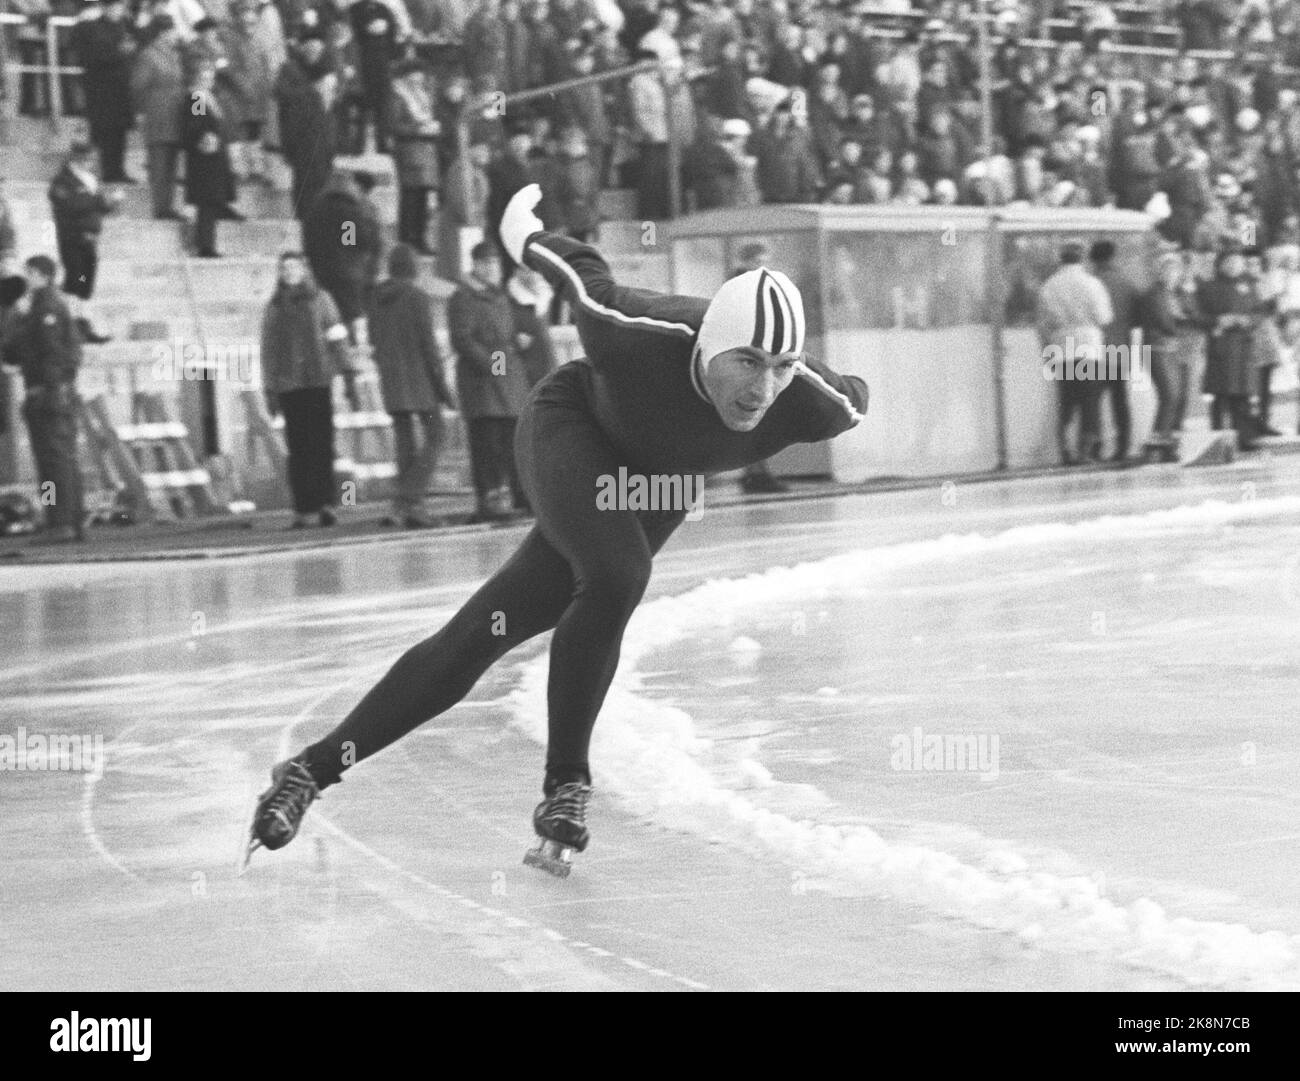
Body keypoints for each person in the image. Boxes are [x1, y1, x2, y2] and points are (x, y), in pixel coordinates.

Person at [246, 183, 869, 874]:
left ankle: (308, 770)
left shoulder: (811, 401)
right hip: (572, 428)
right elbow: (582, 273)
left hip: (654, 484)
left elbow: (855, 395)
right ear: (711, 345)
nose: (762, 387)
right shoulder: (636, 329)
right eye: (746, 361)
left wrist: (811, 377)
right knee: (619, 573)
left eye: (781, 367)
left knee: (484, 631)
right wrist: (524, 231)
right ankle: (566, 783)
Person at [259, 252, 352, 528]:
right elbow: (268, 350)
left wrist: (346, 369)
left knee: (322, 445)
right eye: (284, 267)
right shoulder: (273, 307)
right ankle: (303, 507)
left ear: (304, 269)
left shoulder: (321, 300)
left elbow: (337, 336)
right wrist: (270, 387)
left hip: (317, 381)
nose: (289, 272)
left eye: (294, 266)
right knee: (298, 448)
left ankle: (325, 503)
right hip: (290, 385)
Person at [367, 243, 455, 529]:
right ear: (413, 269)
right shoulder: (417, 298)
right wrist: (443, 388)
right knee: (437, 434)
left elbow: (373, 341)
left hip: (392, 383)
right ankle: (409, 498)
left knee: (405, 442)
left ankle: (403, 508)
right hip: (421, 386)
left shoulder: (375, 299)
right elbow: (428, 346)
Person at [0, 256, 85, 542]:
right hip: (57, 392)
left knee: (51, 465)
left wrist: (51, 389)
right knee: (63, 461)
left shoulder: (42, 308)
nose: (28, 279)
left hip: (47, 393)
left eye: (31, 273)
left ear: (43, 276)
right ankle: (71, 520)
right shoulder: (48, 306)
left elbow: (40, 351)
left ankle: (58, 521)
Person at [448, 241, 531, 520]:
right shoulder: (464, 297)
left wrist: (515, 343)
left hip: (506, 382)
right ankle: (490, 500)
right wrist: (494, 366)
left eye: (497, 263)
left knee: (511, 439)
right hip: (483, 384)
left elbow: (503, 333)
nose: (496, 269)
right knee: (487, 443)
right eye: (490, 264)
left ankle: (519, 496)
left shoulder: (500, 296)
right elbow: (462, 338)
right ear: (478, 266)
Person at [1037, 240, 1112, 465]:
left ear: (1061, 259)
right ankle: (1085, 451)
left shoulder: (1049, 286)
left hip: (1061, 348)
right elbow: (1104, 317)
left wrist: (1048, 353)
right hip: (1088, 346)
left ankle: (1064, 451)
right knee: (1090, 401)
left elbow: (1042, 325)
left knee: (1066, 402)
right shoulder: (1092, 284)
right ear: (1083, 258)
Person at [47, 144, 121, 344]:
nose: (91, 164)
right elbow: (71, 205)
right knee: (76, 280)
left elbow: (100, 207)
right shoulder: (62, 181)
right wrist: (97, 200)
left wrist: (111, 201)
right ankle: (70, 326)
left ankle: (84, 325)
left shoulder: (91, 181)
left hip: (90, 238)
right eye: (87, 160)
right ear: (76, 160)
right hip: (72, 238)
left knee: (87, 284)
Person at [301, 169, 382, 347]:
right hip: (345, 270)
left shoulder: (315, 208)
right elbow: (350, 241)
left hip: (320, 270)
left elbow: (307, 241)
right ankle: (348, 353)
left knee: (327, 315)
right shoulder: (347, 210)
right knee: (346, 315)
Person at [1197, 246, 1262, 451]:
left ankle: (1245, 438)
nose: (1234, 266)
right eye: (1229, 262)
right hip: (1221, 348)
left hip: (1243, 347)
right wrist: (1218, 320)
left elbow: (1259, 313)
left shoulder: (1250, 285)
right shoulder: (1208, 287)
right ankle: (1218, 441)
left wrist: (1247, 321)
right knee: (1220, 396)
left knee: (1242, 395)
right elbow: (1198, 316)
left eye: (1238, 262)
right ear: (1221, 264)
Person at [1140, 251, 1199, 462]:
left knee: (1174, 398)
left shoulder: (1174, 293)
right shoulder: (1155, 294)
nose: (1172, 274)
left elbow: (1193, 314)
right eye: (1167, 270)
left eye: (1175, 270)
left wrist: (1188, 294)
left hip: (1171, 350)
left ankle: (1164, 444)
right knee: (1169, 396)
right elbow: (1164, 322)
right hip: (1156, 349)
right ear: (1159, 272)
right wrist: (1182, 323)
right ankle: (1157, 444)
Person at [70, 0, 137, 184]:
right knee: (103, 133)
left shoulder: (123, 28)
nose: (120, 11)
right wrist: (119, 52)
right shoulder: (93, 28)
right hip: (103, 93)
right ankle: (104, 171)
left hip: (121, 92)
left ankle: (117, 170)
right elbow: (91, 56)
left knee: (119, 134)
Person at [1089, 240, 1141, 462]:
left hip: (1093, 351)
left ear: (1093, 260)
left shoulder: (1091, 282)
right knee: (1120, 400)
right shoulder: (1127, 284)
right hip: (1120, 349)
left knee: (1093, 401)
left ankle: (1095, 448)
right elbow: (1137, 318)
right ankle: (1123, 447)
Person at [130, 14, 187, 219]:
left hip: (175, 115)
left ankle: (168, 205)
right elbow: (138, 87)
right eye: (172, 30)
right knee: (160, 162)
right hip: (158, 115)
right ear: (163, 33)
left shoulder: (176, 55)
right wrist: (144, 111)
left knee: (171, 162)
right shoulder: (149, 55)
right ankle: (160, 206)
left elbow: (184, 85)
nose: (175, 34)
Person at [179, 64, 238, 258]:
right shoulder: (197, 97)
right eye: (204, 77)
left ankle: (208, 244)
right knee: (206, 202)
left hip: (214, 158)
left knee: (211, 202)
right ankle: (205, 246)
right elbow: (196, 123)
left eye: (210, 77)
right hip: (203, 158)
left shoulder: (209, 97)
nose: (208, 81)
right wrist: (206, 136)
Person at [388, 58, 441, 253]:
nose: (418, 77)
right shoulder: (397, 95)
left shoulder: (423, 94)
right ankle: (407, 240)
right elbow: (394, 125)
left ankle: (419, 238)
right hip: (409, 150)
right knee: (410, 197)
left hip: (426, 150)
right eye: (414, 73)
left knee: (422, 197)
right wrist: (419, 128)